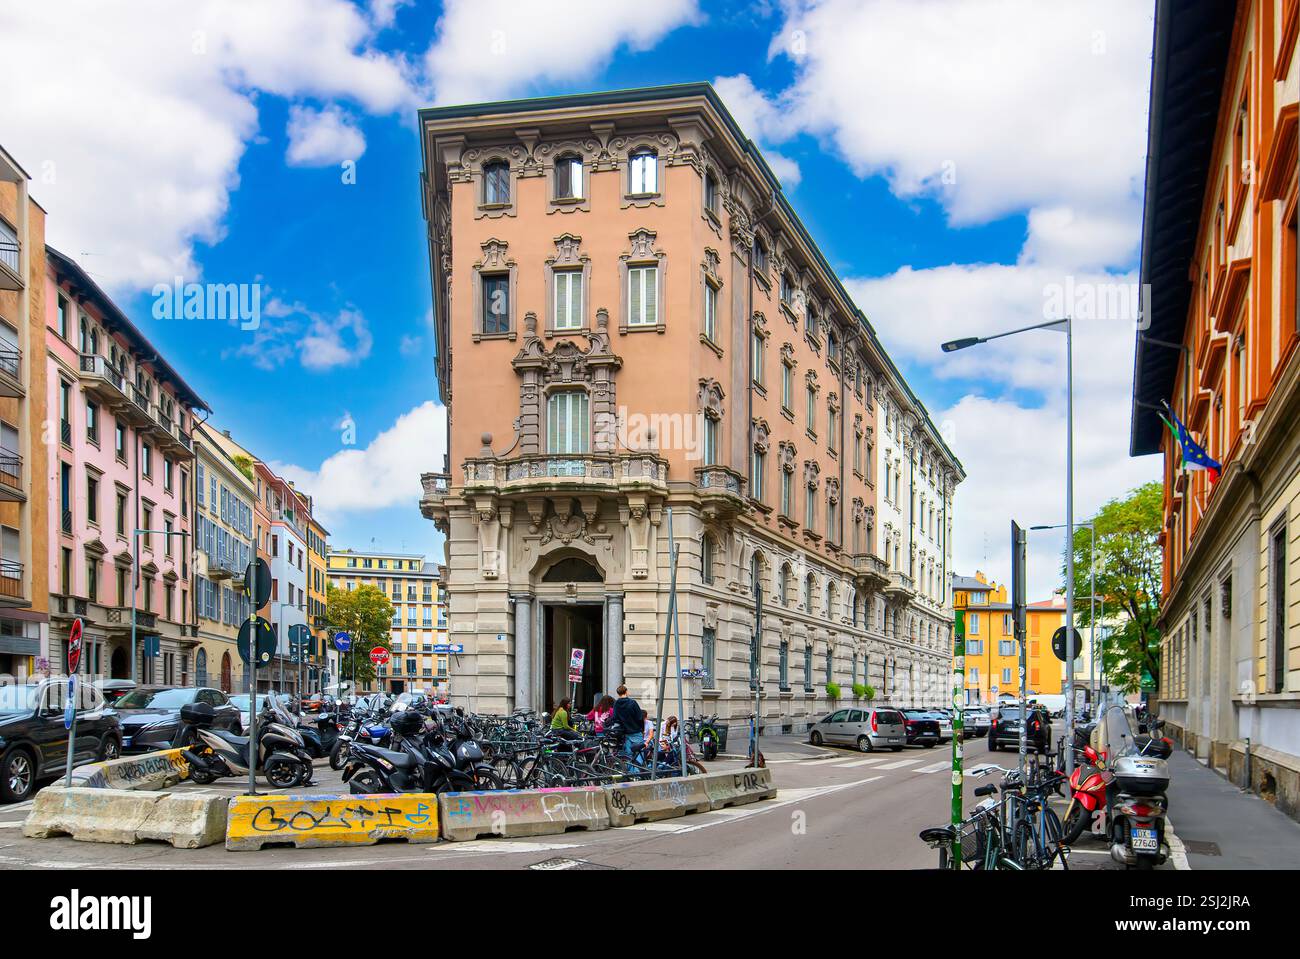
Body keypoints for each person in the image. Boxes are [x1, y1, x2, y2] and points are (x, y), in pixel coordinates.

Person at [612, 684, 644, 758]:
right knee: (638, 754)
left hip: (625, 732)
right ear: (626, 692)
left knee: (628, 755)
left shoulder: (616, 703)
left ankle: (630, 769)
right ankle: (637, 770)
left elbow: (615, 717)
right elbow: (639, 717)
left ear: (618, 693)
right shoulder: (632, 702)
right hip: (636, 731)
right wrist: (642, 729)